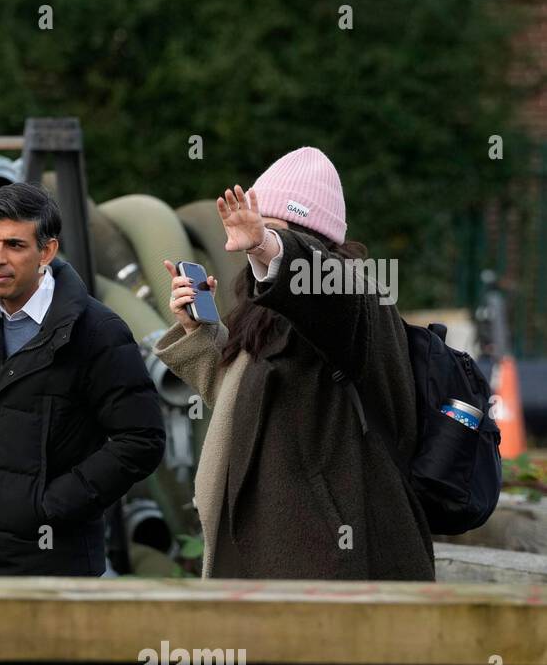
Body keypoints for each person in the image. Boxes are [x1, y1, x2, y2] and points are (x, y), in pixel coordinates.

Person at [152, 147, 434, 579]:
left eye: (269, 228)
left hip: (334, 559)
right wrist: (198, 332)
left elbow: (322, 289)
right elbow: (244, 408)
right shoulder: (266, 309)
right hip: (267, 549)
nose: (249, 240)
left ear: (309, 239)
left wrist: (269, 243)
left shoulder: (356, 294)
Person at [0, 182, 165, 576]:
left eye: (14, 246)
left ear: (47, 252)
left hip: (56, 566)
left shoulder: (96, 331)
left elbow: (142, 440)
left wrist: (52, 505)